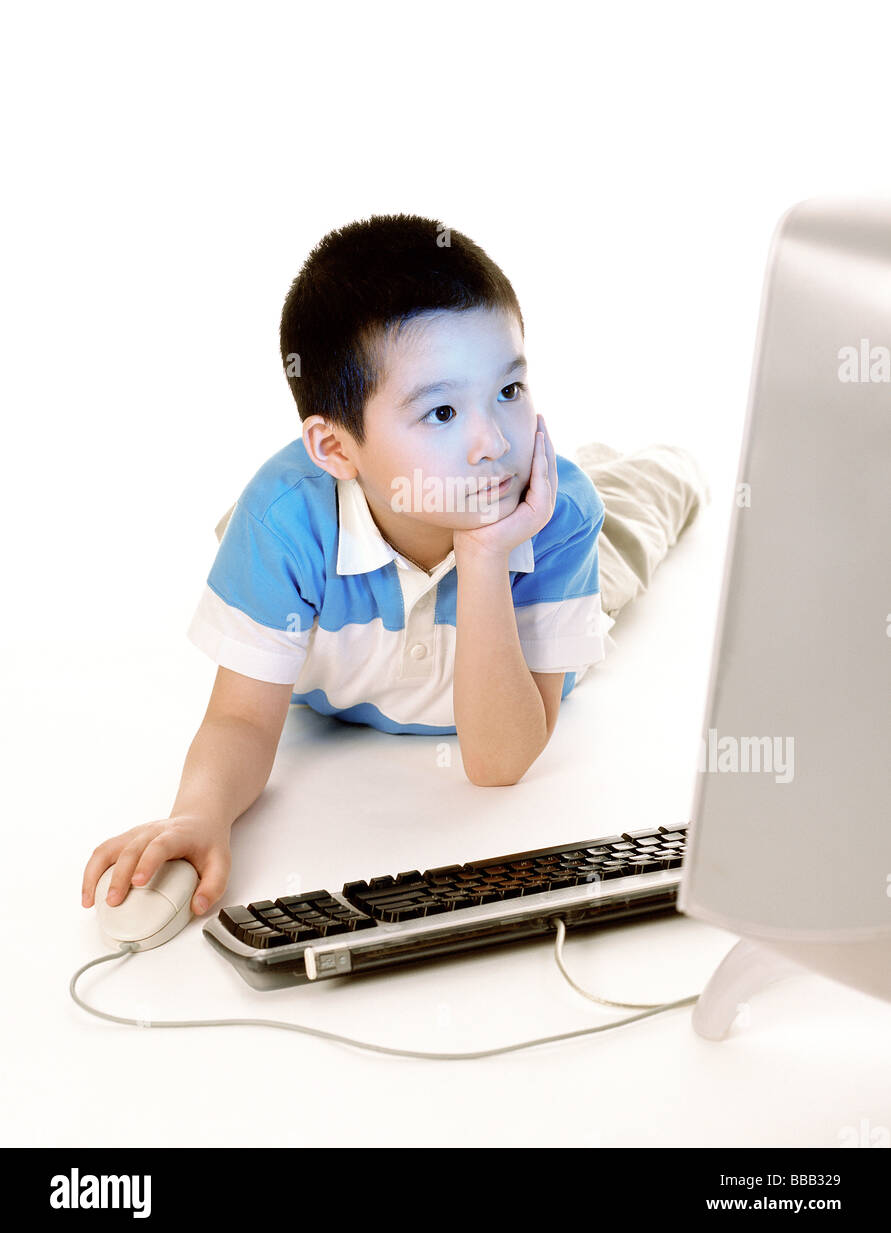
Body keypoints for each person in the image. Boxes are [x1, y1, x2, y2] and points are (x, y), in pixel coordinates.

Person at [80, 214, 619, 921]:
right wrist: (200, 813)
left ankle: (653, 468)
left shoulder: (553, 513)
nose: (492, 442)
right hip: (302, 527)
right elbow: (241, 721)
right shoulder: (284, 524)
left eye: (509, 392)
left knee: (631, 521)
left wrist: (486, 552)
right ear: (335, 449)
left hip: (547, 545)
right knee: (266, 528)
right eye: (442, 411)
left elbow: (499, 764)